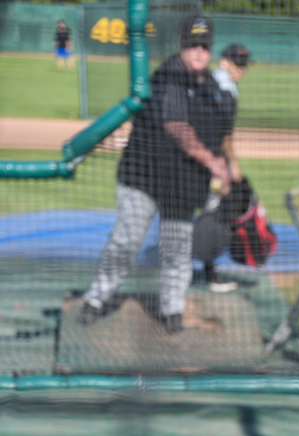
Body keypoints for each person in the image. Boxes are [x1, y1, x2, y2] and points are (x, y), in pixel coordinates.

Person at [80, 15, 235, 334]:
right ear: (181, 46)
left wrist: (225, 166)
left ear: (211, 51)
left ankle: (172, 311)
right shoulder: (169, 76)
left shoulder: (216, 91)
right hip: (144, 179)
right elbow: (178, 128)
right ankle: (95, 299)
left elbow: (222, 135)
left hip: (183, 187)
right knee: (126, 242)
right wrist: (212, 161)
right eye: (192, 44)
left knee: (178, 250)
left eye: (204, 46)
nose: (198, 52)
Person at [201, 43, 250, 291]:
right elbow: (225, 136)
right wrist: (233, 165)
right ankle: (210, 275)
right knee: (212, 214)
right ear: (224, 61)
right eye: (236, 62)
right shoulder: (228, 90)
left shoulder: (207, 80)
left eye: (243, 64)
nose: (240, 68)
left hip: (187, 157)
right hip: (209, 162)